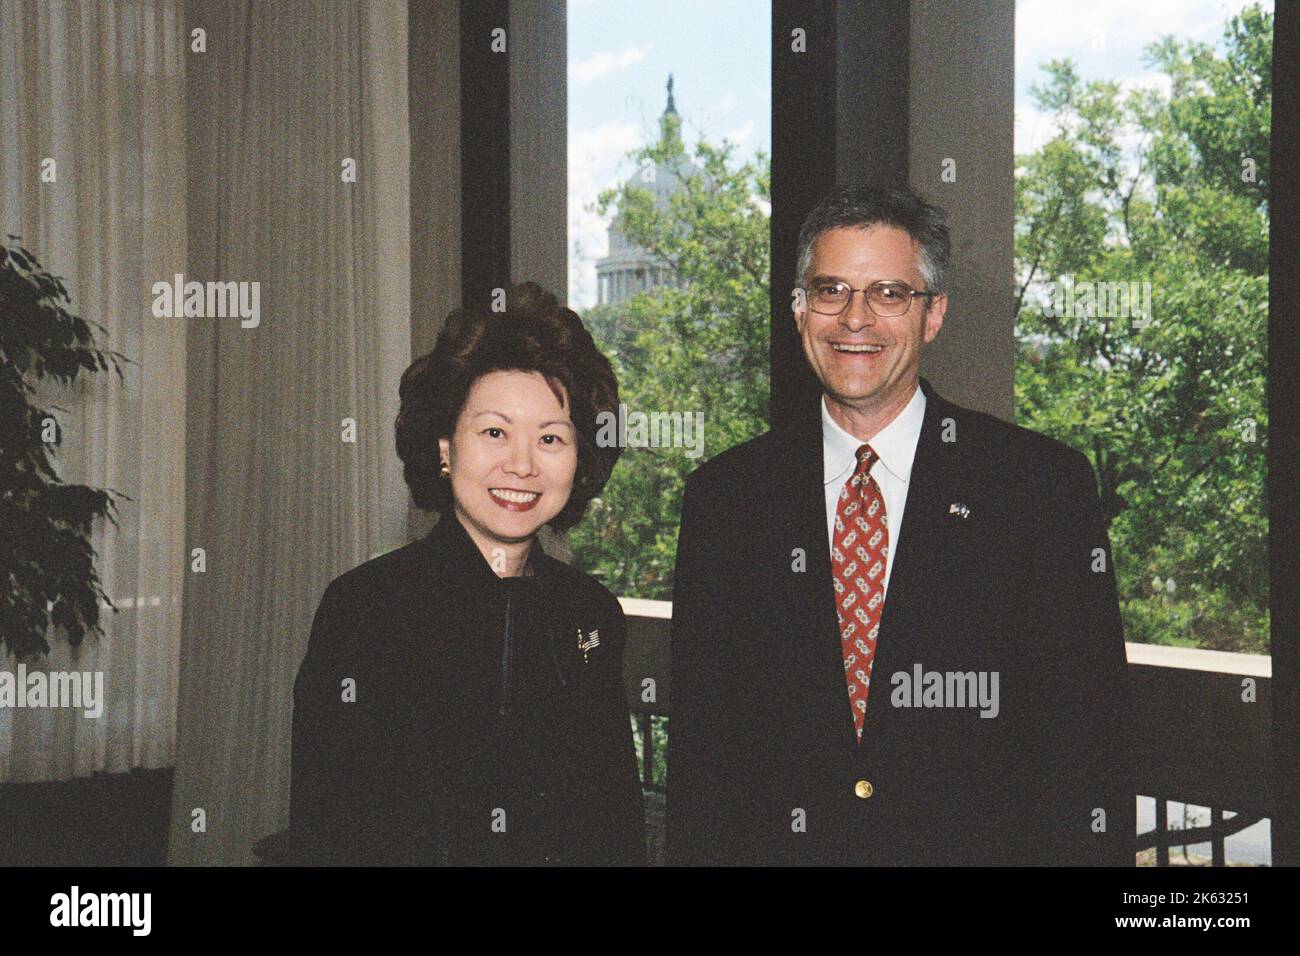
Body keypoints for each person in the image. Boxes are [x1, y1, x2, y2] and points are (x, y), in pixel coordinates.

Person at [666, 185, 1135, 866]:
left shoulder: (1039, 490)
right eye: (831, 291)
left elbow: (1087, 749)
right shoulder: (725, 501)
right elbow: (702, 768)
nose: (855, 319)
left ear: (933, 314)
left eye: (889, 293)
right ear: (800, 311)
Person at [288, 282, 645, 865]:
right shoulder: (367, 609)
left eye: (551, 438)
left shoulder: (589, 615)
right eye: (495, 432)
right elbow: (331, 830)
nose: (523, 465)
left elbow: (614, 824)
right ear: (446, 446)